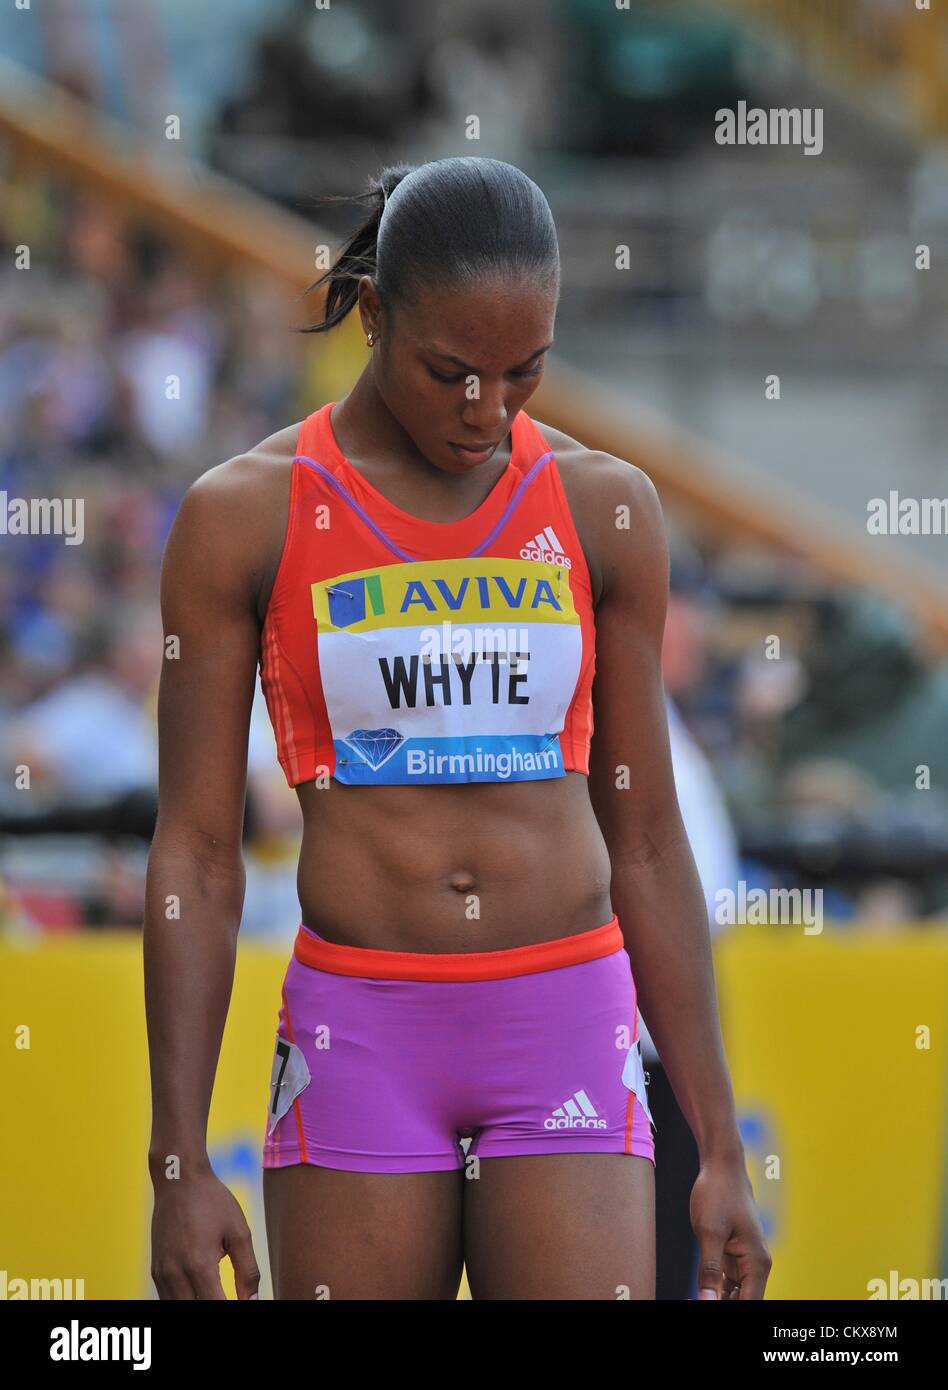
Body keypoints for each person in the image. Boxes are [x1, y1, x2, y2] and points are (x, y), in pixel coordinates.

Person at [145, 156, 770, 1301]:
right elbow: (194, 851)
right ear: (374, 313)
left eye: (522, 372)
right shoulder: (244, 516)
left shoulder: (607, 510)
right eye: (450, 373)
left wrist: (721, 1143)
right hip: (361, 1027)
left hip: (567, 1013)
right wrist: (177, 1159)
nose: (486, 412)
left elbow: (648, 841)